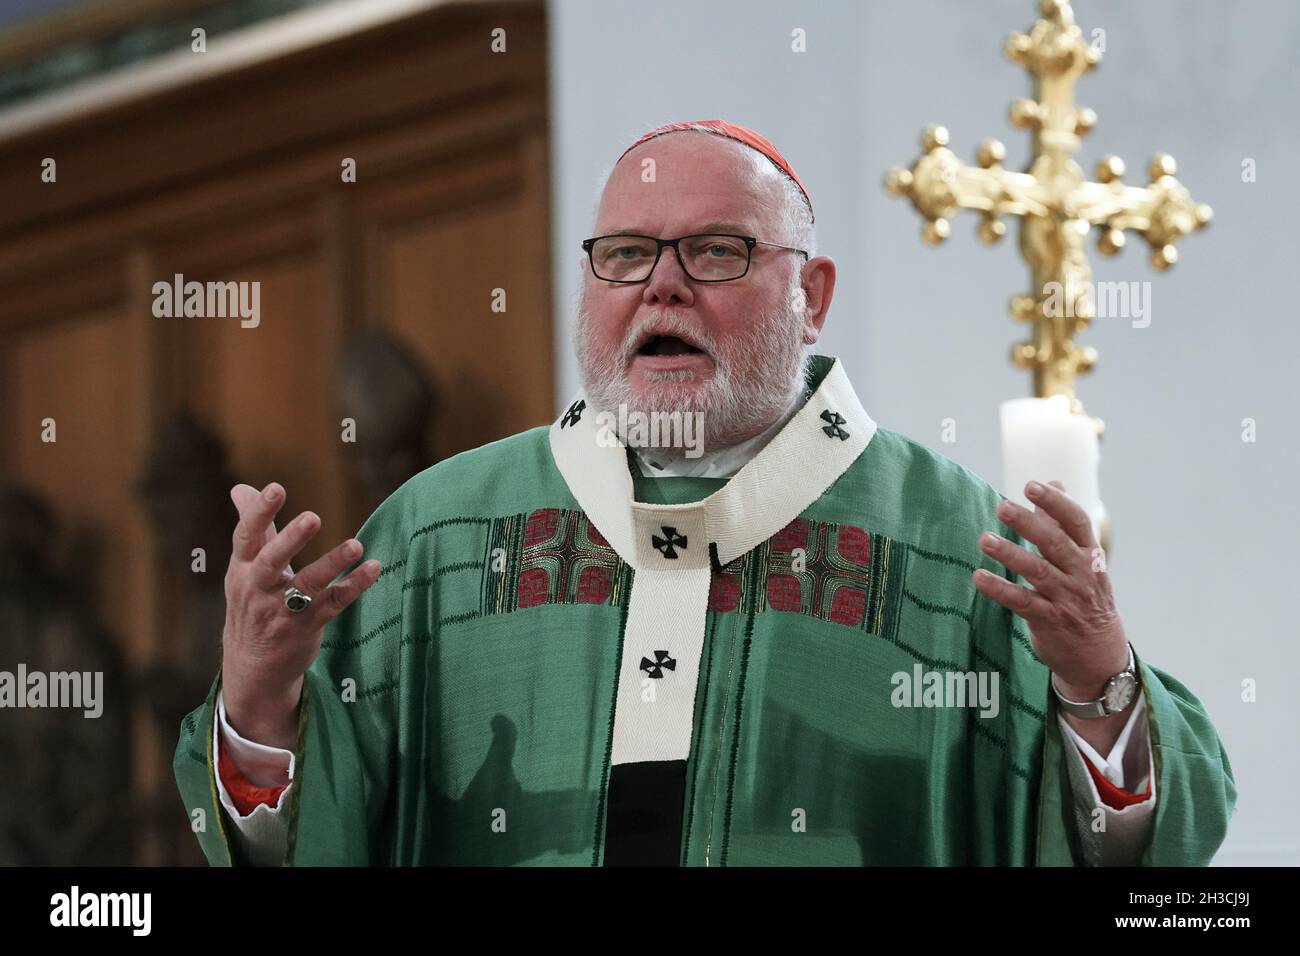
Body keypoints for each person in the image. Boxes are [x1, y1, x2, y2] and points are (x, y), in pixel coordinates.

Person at [174, 119, 1235, 866]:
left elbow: (1154, 841)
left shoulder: (959, 544)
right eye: (627, 254)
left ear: (810, 296)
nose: (662, 285)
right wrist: (259, 704)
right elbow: (292, 832)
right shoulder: (440, 530)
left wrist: (1098, 687)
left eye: (716, 251)